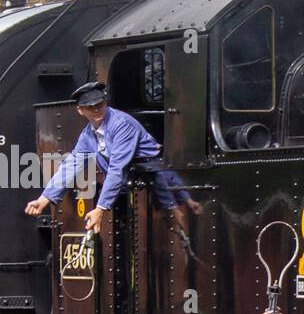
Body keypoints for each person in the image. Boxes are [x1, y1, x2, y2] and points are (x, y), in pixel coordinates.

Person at [23, 81, 201, 231]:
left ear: (105, 102)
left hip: (156, 184)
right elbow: (71, 165)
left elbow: (117, 168)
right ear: (80, 110)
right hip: (131, 188)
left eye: (99, 105)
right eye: (90, 107)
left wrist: (100, 208)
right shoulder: (88, 135)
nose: (96, 110)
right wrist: (44, 199)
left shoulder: (121, 125)